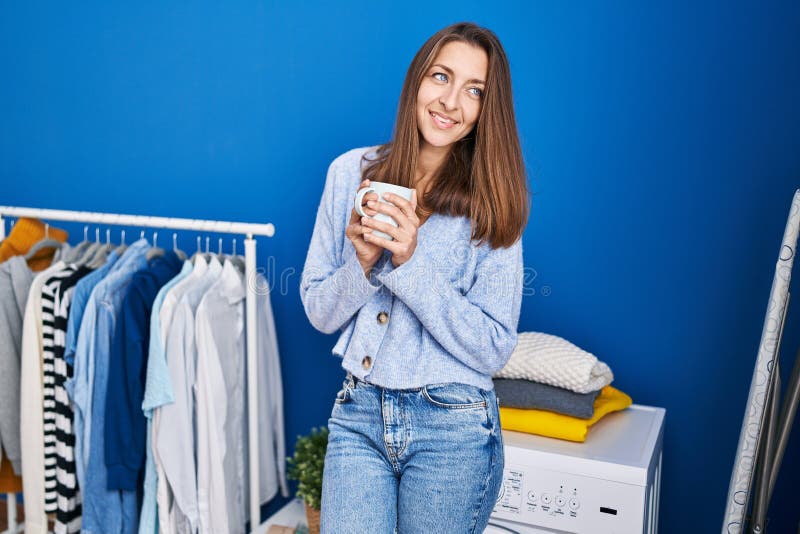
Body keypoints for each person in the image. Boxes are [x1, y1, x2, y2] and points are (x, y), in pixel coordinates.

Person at [300, 21, 530, 534]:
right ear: (416, 82)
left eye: (475, 91)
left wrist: (410, 262)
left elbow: (495, 345)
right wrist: (360, 263)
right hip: (358, 413)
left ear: (485, 111)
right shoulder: (349, 173)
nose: (452, 101)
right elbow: (318, 309)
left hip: (453, 427)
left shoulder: (495, 202)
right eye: (441, 77)